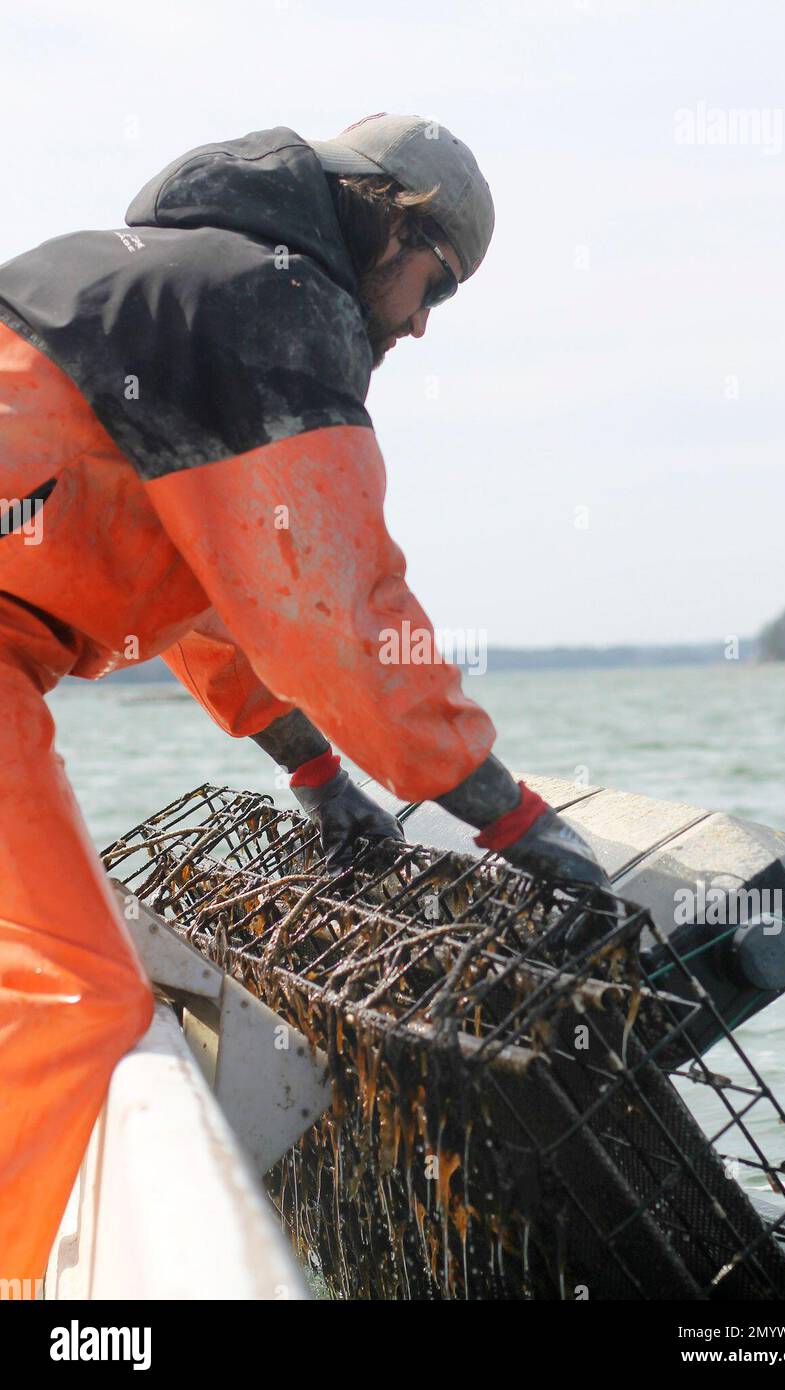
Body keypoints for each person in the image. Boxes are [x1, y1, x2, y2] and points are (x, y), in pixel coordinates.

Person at [0, 113, 606, 1288]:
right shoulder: (272, 307)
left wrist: (315, 770)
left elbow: (203, 597)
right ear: (392, 217)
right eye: (434, 284)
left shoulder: (174, 289)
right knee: (74, 1004)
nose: (421, 325)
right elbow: (332, 606)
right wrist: (505, 812)